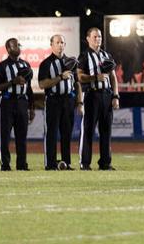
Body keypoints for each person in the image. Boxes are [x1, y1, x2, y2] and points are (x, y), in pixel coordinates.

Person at [77, 27, 120, 171]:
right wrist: (95, 77)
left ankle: (105, 163)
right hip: (92, 95)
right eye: (95, 37)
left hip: (106, 95)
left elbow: (113, 77)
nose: (98, 39)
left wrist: (115, 96)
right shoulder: (84, 56)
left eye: (100, 36)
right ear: (88, 39)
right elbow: (79, 77)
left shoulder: (106, 55)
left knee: (106, 130)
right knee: (88, 130)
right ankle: (85, 163)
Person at [38, 34, 82, 170]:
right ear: (51, 45)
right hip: (53, 100)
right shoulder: (46, 63)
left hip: (68, 100)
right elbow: (42, 84)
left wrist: (80, 103)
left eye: (62, 42)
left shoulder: (71, 62)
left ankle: (66, 163)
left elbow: (77, 84)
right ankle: (50, 164)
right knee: (51, 133)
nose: (60, 45)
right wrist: (60, 77)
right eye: (57, 42)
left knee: (66, 133)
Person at [0, 38, 35, 171]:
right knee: (5, 136)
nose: (19, 47)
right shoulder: (2, 66)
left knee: (22, 135)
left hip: (22, 101)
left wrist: (32, 107)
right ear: (8, 48)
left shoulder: (26, 65)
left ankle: (22, 164)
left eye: (19, 45)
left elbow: (29, 89)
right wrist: (12, 82)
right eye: (15, 45)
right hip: (7, 101)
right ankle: (5, 165)